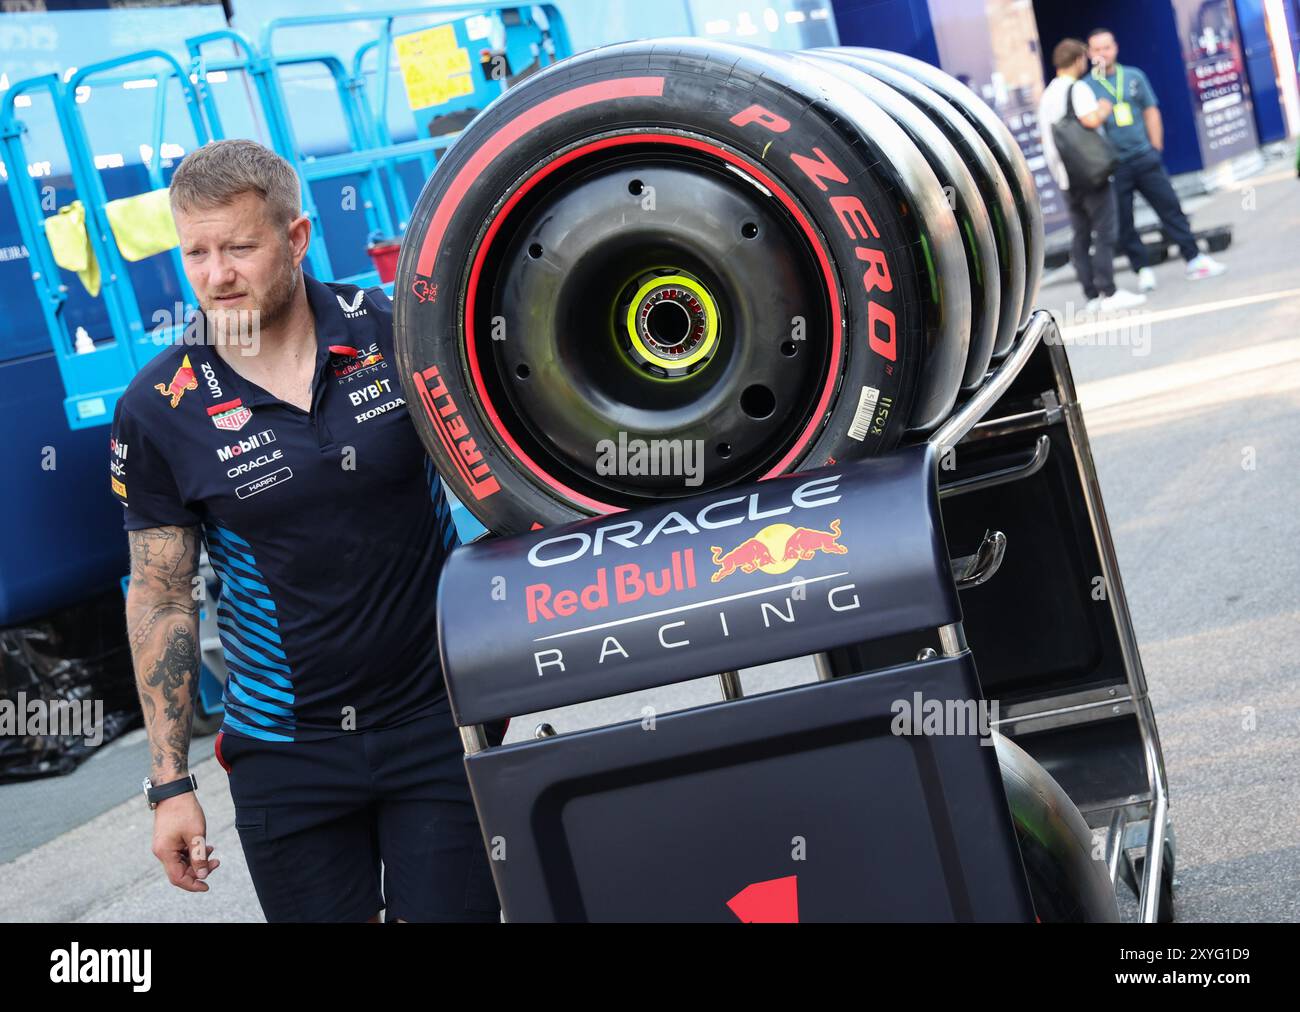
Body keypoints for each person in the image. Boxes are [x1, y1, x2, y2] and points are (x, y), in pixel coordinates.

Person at [111, 139, 500, 923]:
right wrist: (170, 785)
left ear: (295, 238)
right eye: (196, 253)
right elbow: (161, 598)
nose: (216, 275)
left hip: (437, 723)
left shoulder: (397, 333)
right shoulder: (159, 407)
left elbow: (507, 471)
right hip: (284, 755)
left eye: (239, 248)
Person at [1086, 27, 1227, 288]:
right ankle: (1142, 269)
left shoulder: (1133, 76)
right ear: (1089, 53)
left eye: (1106, 47)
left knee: (1170, 208)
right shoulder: (1086, 87)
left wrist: (1155, 147)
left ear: (1115, 48)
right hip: (1114, 166)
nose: (1103, 53)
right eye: (1097, 49)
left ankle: (1194, 258)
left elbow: (1151, 111)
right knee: (1124, 222)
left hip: (1144, 157)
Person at [1039, 38, 1146, 312]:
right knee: (1105, 231)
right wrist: (1103, 109)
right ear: (1078, 60)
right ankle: (1108, 291)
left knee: (1081, 235)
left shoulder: (1048, 94)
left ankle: (1091, 295)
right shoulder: (1078, 88)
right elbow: (1090, 120)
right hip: (1090, 173)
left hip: (1065, 176)